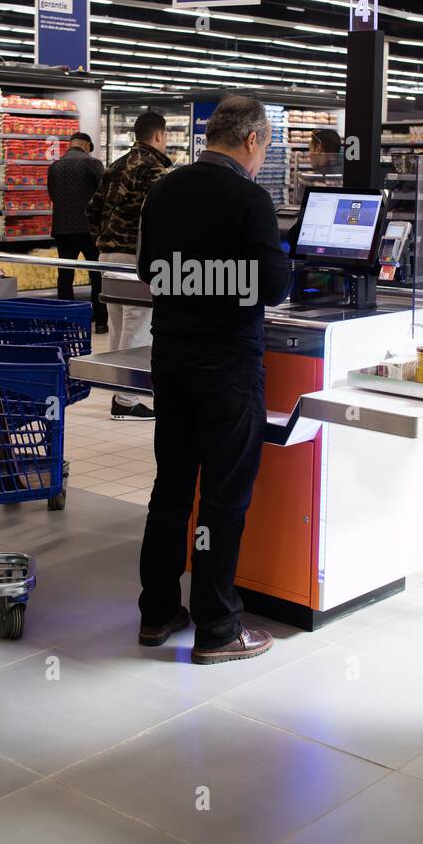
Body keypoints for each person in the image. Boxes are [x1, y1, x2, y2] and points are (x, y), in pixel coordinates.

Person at [137, 95, 292, 664]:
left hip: (172, 359)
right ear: (252, 139)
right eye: (266, 146)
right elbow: (273, 286)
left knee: (171, 488)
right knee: (224, 499)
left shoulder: (164, 188)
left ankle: (157, 613)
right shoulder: (249, 198)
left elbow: (149, 270)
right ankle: (219, 628)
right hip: (228, 366)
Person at [88, 110, 171, 419]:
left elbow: (92, 209)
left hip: (107, 255)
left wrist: (106, 239)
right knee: (138, 327)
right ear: (159, 135)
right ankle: (125, 400)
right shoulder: (154, 169)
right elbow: (162, 218)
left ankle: (118, 389)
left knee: (119, 324)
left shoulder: (116, 163)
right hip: (135, 257)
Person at [47, 131, 107, 331]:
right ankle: (100, 321)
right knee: (96, 275)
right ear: (87, 146)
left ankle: (67, 320)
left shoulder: (55, 166)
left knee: (65, 275)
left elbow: (53, 195)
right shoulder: (92, 164)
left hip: (62, 228)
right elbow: (104, 195)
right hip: (88, 229)